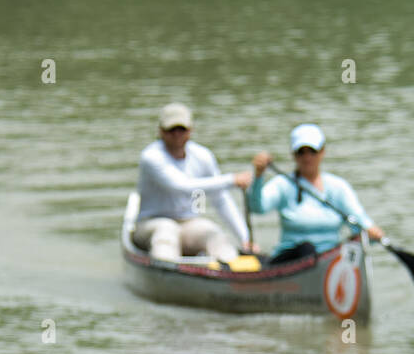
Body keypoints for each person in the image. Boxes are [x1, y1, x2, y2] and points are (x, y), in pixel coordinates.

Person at [133, 103, 254, 264]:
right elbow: (182, 186)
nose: (177, 135)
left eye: (181, 129)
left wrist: (245, 237)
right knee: (166, 231)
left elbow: (220, 200)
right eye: (171, 130)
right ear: (161, 131)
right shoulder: (151, 156)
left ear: (190, 130)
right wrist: (231, 180)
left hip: (189, 223)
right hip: (151, 223)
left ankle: (234, 270)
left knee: (213, 233)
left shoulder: (203, 156)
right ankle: (168, 275)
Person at [247, 124, 383, 264]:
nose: (307, 157)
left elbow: (359, 221)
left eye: (312, 151)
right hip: (289, 260)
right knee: (308, 248)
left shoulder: (338, 187)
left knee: (351, 248)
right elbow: (257, 207)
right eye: (301, 152)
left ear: (322, 151)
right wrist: (258, 176)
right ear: (293, 154)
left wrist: (371, 232)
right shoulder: (283, 184)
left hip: (329, 261)